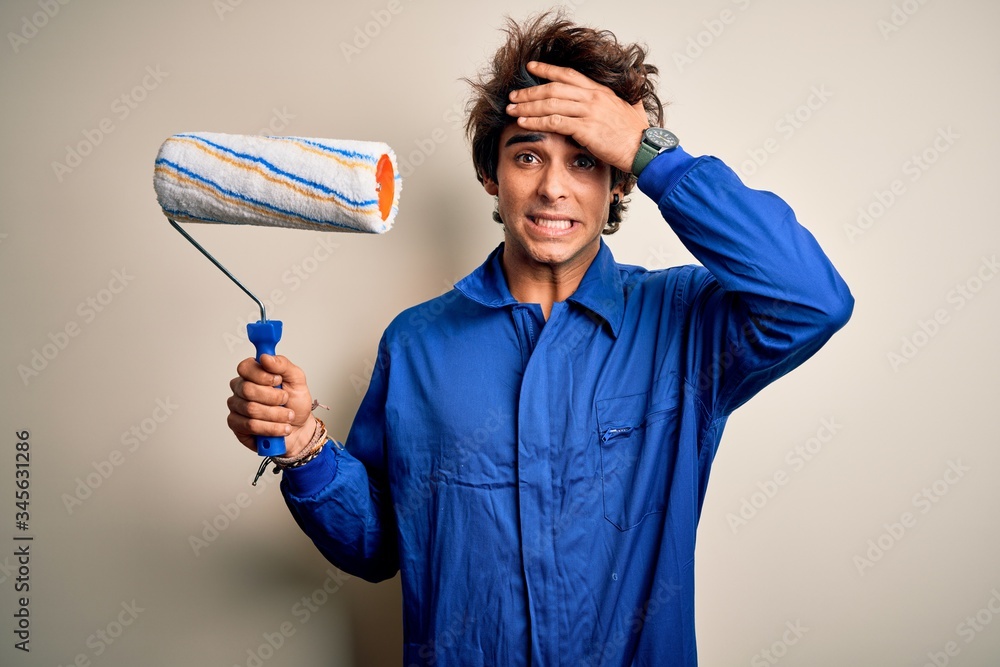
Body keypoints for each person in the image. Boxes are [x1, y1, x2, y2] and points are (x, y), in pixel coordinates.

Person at [226, 11, 853, 666]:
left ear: (618, 179)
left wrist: (649, 147)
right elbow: (383, 544)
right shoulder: (417, 345)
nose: (554, 186)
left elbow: (813, 299)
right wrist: (304, 448)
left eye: (585, 159)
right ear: (492, 173)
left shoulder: (684, 324)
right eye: (529, 155)